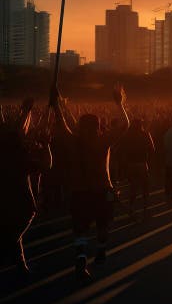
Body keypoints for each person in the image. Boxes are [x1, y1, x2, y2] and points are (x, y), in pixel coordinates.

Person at [51, 84, 130, 282]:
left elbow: (61, 123)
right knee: (104, 224)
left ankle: (81, 259)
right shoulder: (102, 141)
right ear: (98, 127)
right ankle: (101, 250)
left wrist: (57, 105)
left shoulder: (72, 142)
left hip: (79, 193)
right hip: (103, 191)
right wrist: (119, 104)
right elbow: (125, 124)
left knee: (80, 230)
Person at [1, 98, 50, 278]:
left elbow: (17, 131)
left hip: (7, 205)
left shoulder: (5, 153)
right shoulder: (21, 159)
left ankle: (21, 266)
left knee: (12, 233)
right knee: (13, 236)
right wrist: (46, 145)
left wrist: (26, 112)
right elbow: (46, 165)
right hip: (23, 206)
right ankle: (18, 264)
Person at [118, 118, 155, 218]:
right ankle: (145, 209)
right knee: (145, 187)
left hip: (131, 164)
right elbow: (152, 149)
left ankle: (131, 208)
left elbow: (121, 150)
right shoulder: (145, 134)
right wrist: (149, 161)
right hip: (142, 164)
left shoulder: (127, 135)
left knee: (133, 187)